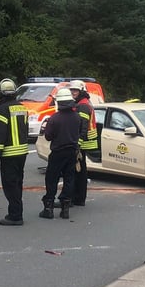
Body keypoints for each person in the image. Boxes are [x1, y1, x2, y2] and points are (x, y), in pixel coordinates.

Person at [41, 87, 85, 220]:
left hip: (57, 152)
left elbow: (48, 136)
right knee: (69, 179)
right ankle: (65, 208)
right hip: (72, 152)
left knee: (52, 179)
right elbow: (79, 132)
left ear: (59, 102)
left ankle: (48, 208)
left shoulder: (54, 118)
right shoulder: (77, 117)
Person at [0, 78, 29, 226]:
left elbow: (0, 134)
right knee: (18, 184)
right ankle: (16, 212)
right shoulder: (22, 107)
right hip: (22, 152)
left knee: (10, 185)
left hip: (9, 153)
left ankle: (15, 216)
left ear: (0, 93)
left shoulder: (2, 110)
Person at [68, 79, 99, 207]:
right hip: (84, 142)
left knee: (78, 171)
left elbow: (82, 127)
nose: (73, 93)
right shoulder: (83, 103)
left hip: (83, 142)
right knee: (80, 171)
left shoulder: (82, 106)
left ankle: (76, 198)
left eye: (75, 90)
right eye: (71, 90)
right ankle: (78, 198)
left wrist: (78, 144)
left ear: (81, 91)